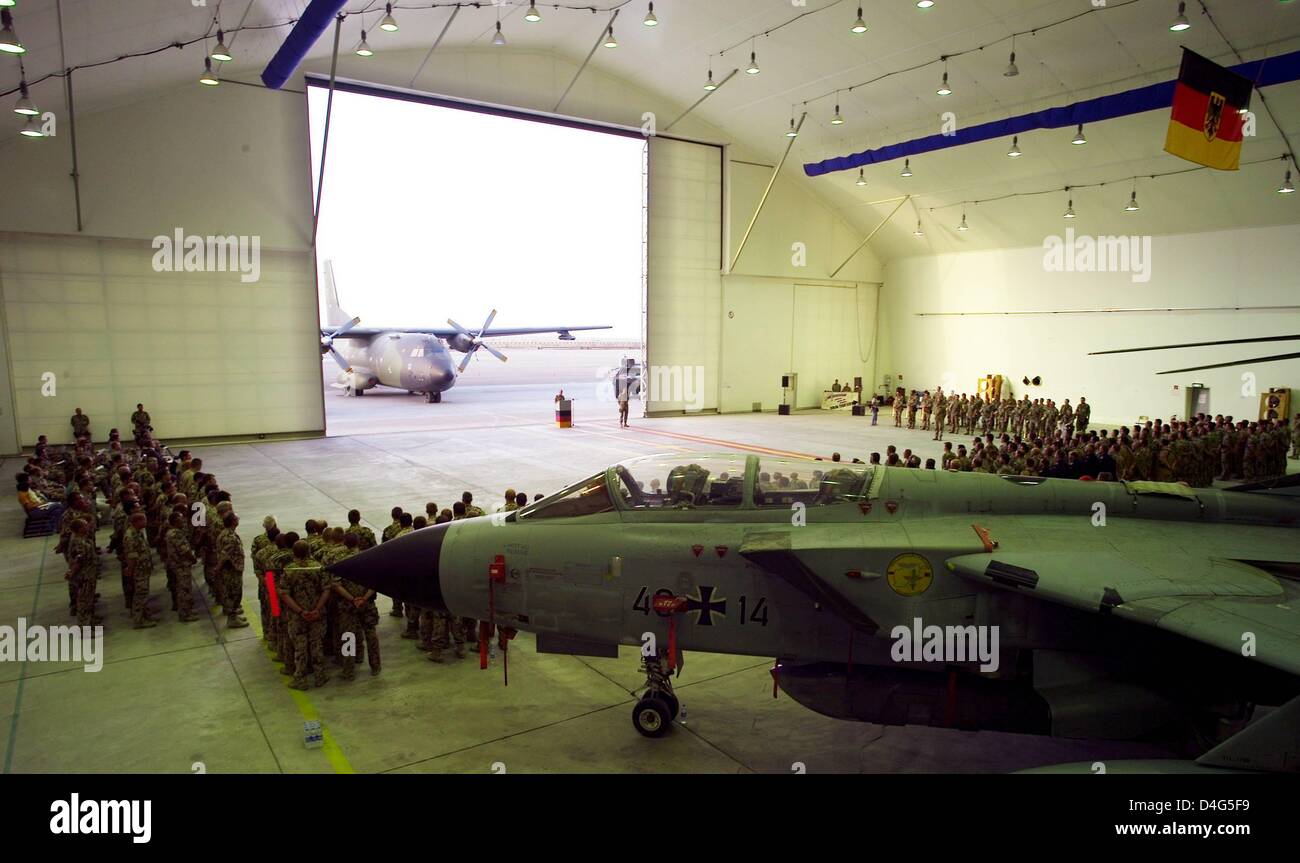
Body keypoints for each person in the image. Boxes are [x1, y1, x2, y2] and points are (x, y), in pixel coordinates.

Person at [282, 540, 331, 690]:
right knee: (317, 644)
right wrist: (317, 609)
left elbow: (284, 594)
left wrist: (300, 611)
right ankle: (320, 676)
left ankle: (300, 679)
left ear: (294, 553)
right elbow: (326, 590)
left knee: (300, 647)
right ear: (309, 551)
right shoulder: (319, 567)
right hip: (317, 614)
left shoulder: (289, 570)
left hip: (297, 616)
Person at [331, 532, 380, 678]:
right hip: (367, 604)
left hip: (347, 605)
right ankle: (375, 666)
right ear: (358, 542)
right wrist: (364, 598)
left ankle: (348, 670)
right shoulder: (368, 558)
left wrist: (353, 599)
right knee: (371, 634)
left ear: (344, 543)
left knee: (348, 636)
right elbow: (375, 583)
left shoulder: (339, 560)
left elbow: (336, 584)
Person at [123, 511, 157, 629]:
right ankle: (139, 620)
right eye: (144, 520)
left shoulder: (138, 532)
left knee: (144, 593)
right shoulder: (131, 536)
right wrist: (131, 569)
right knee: (140, 595)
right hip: (139, 569)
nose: (146, 522)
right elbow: (131, 555)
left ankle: (145, 615)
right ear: (137, 522)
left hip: (143, 568)